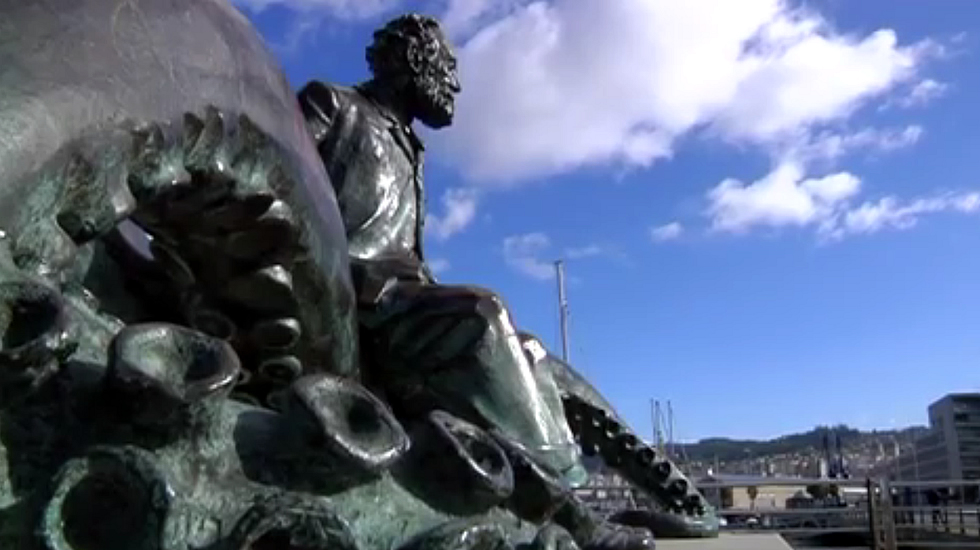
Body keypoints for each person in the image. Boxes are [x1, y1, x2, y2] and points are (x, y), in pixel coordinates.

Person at [298, 14, 655, 550]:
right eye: (446, 66)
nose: (456, 84)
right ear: (413, 60)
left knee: (530, 350)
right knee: (482, 315)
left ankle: (562, 498)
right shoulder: (333, 105)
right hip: (356, 289)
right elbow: (289, 176)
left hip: (406, 294)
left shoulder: (413, 149)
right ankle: (574, 514)